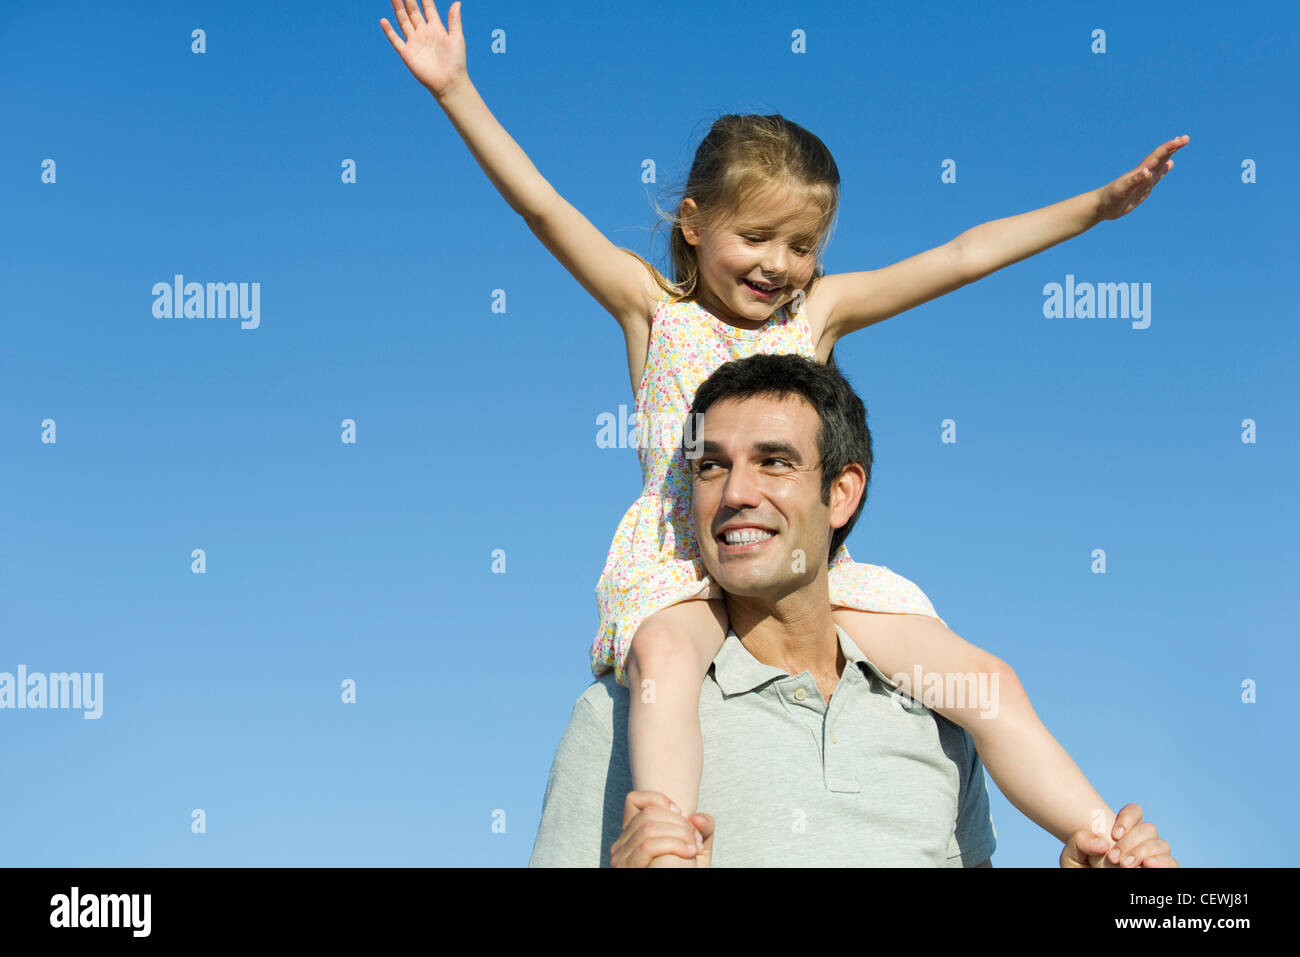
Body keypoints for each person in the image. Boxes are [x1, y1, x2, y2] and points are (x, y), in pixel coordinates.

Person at [379, 0, 1190, 857]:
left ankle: (1107, 845)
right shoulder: (652, 308)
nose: (778, 263)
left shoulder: (821, 312)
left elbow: (960, 255)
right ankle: (664, 833)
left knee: (982, 677)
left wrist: (1094, 208)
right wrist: (456, 90)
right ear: (693, 223)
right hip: (688, 570)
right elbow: (542, 208)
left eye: (801, 243)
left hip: (809, 573)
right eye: (756, 235)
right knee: (663, 658)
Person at [529, 353, 1177, 867]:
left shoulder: (938, 720)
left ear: (841, 494)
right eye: (710, 467)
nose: (735, 493)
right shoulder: (619, 717)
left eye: (773, 462)